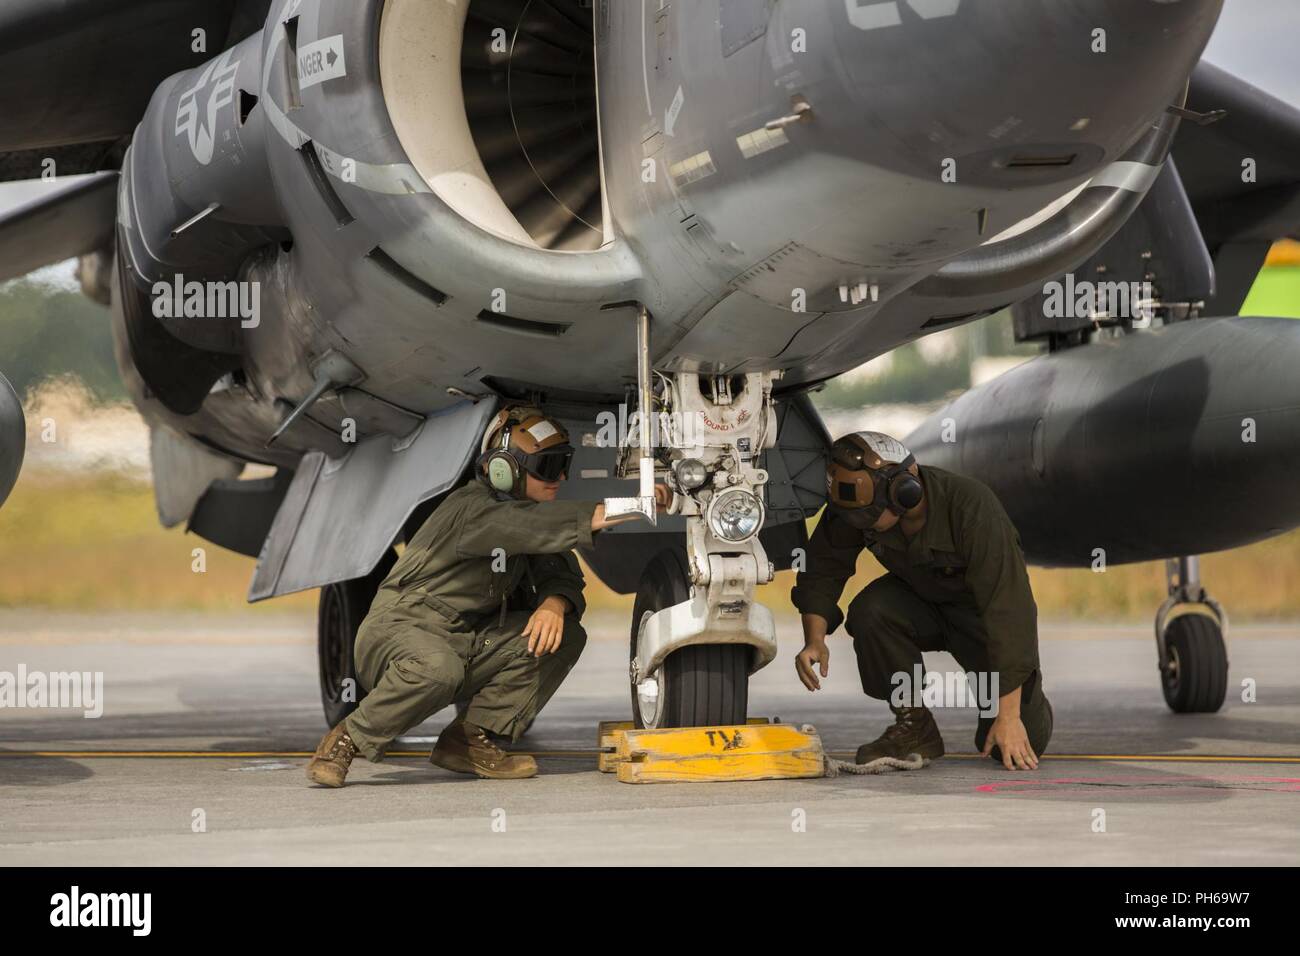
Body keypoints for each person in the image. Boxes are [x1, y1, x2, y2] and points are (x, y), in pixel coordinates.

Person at [307, 405, 667, 786]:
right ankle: (345, 739)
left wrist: (553, 604)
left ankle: (468, 740)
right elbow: (533, 527)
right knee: (438, 668)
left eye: (564, 464)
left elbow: (561, 574)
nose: (559, 477)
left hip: (463, 641)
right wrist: (636, 506)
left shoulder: (527, 519)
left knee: (562, 637)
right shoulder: (474, 510)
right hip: (400, 631)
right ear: (504, 468)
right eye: (546, 467)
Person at [791, 431, 1052, 771]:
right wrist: (815, 639)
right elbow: (822, 570)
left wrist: (1009, 715)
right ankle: (914, 726)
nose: (859, 525)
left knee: (1013, 743)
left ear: (905, 493)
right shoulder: (856, 504)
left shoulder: (971, 507)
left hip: (981, 623)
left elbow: (1009, 610)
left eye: (867, 518)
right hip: (920, 605)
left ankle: (1023, 711)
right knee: (872, 611)